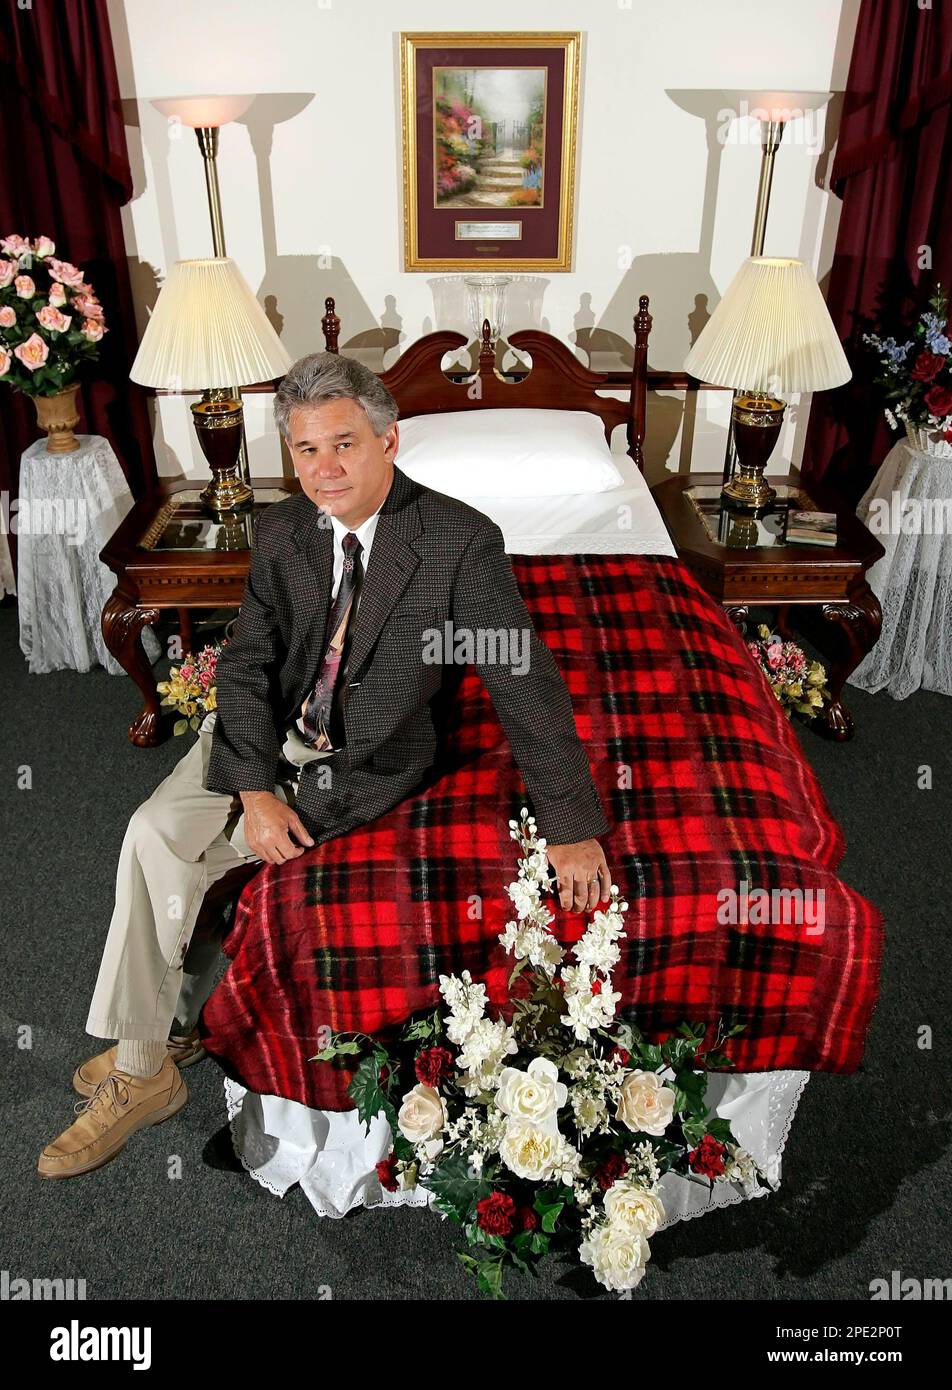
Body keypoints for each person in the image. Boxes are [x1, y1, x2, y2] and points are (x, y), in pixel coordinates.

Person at [38, 352, 612, 1179]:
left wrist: (569, 825)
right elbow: (246, 661)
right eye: (306, 450)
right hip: (261, 737)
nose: (325, 469)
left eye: (344, 444)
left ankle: (140, 1066)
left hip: (361, 760)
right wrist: (251, 787)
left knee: (183, 857)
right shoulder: (280, 531)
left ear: (389, 439)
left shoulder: (460, 541)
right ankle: (154, 1054)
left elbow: (524, 680)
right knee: (153, 831)